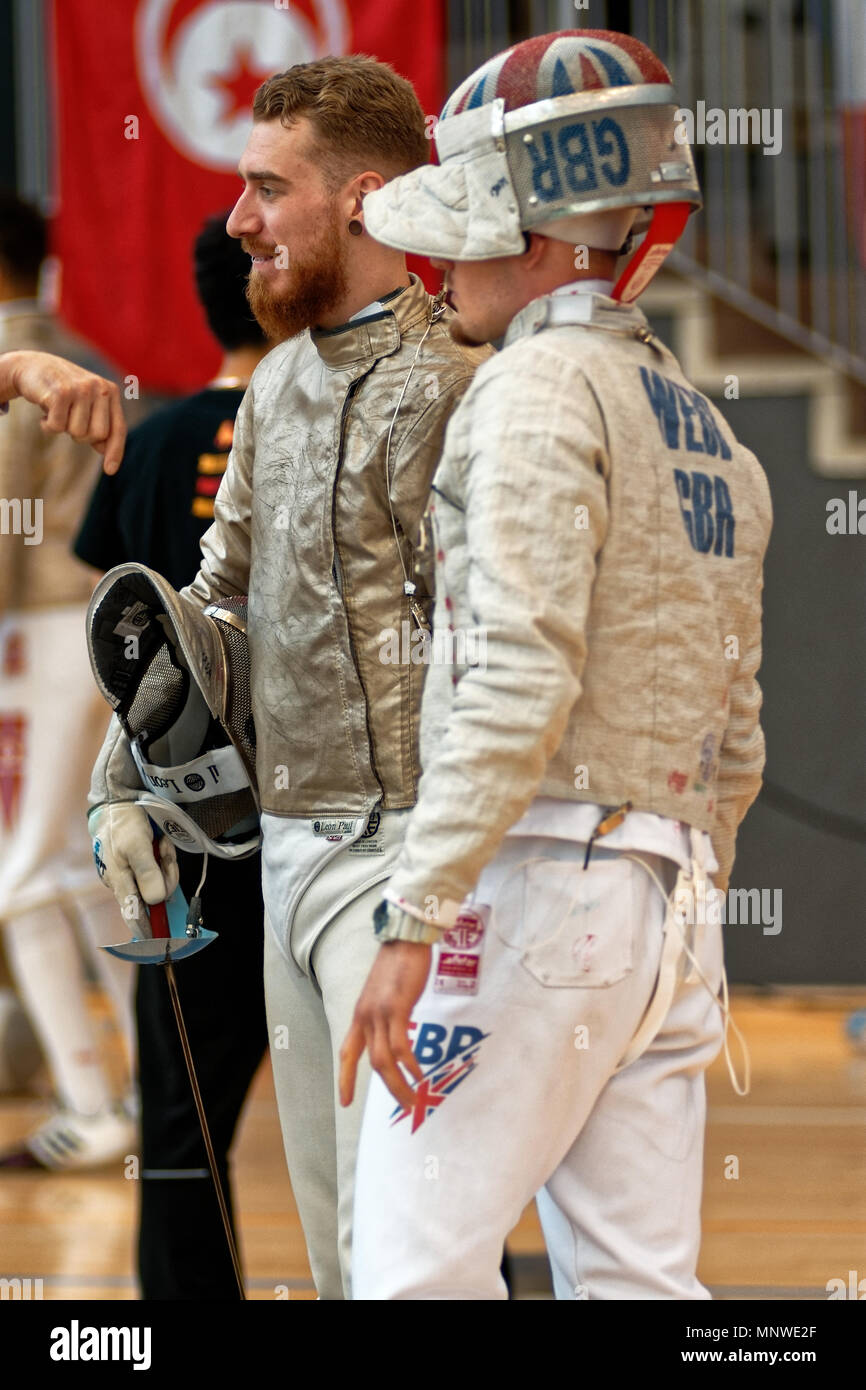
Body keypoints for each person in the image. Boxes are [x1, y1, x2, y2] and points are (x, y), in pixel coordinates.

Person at [341, 28, 773, 1301]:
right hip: (667, 908)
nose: (435, 263)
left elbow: (515, 673)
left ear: (538, 239)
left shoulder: (530, 393)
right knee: (642, 1288)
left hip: (526, 891)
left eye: (464, 231)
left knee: (411, 1275)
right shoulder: (708, 436)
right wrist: (673, 900)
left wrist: (416, 913)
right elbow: (733, 734)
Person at [86, 56, 490, 1299]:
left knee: (407, 1253)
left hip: (413, 867)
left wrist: (441, 890)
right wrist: (120, 785)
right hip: (289, 859)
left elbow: (499, 653)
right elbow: (214, 603)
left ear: (362, 200)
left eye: (267, 188)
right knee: (338, 1254)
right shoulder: (274, 385)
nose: (237, 222)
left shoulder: (455, 389)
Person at [74, 213, 270, 1299]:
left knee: (180, 1128)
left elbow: (110, 635)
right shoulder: (309, 429)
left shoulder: (149, 443)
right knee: (398, 1124)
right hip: (311, 823)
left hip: (183, 838)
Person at [0, 192, 135, 1169]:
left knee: (20, 882)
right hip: (87, 628)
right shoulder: (75, 344)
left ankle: (95, 1108)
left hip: (36, 633)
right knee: (86, 878)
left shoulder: (17, 368)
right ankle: (152, 1093)